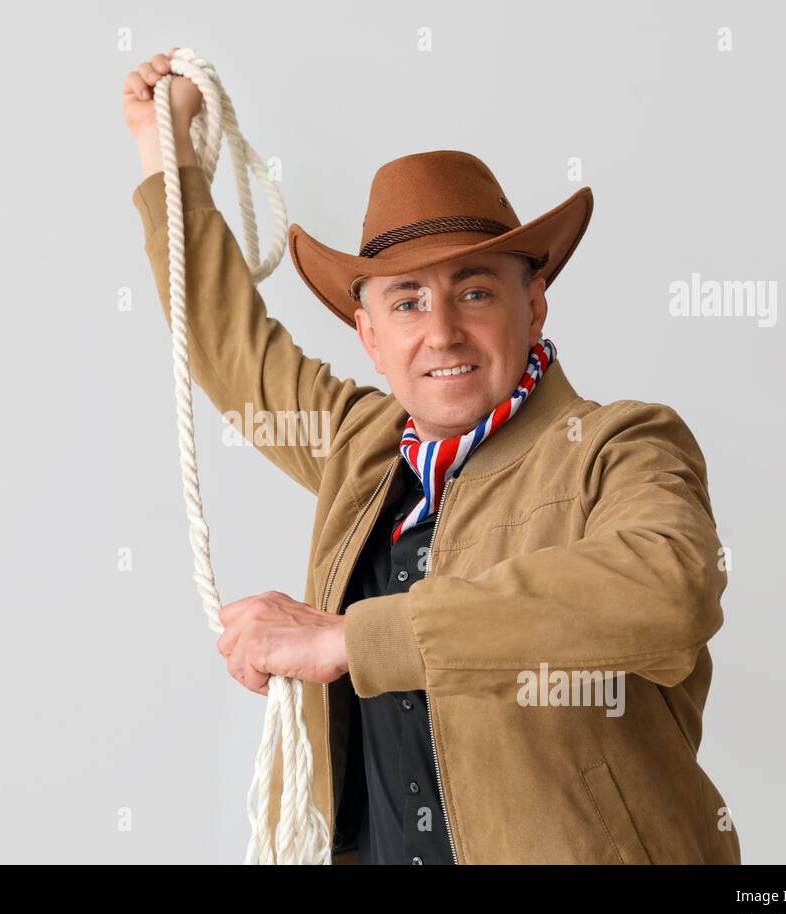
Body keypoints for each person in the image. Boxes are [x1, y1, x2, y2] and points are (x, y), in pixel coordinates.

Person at [122, 50, 741, 864]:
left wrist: (353, 640)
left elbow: (669, 587)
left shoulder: (619, 445)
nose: (442, 331)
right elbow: (232, 355)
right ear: (370, 336)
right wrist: (168, 159)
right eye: (407, 302)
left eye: (475, 290)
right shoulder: (362, 447)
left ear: (534, 301)